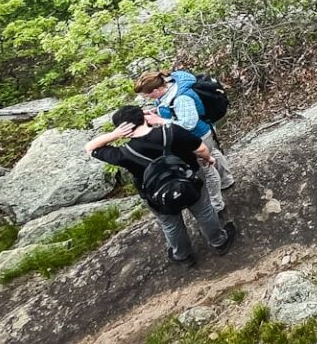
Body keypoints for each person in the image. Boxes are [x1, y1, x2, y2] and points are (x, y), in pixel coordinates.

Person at [84, 104, 236, 267]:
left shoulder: (123, 153)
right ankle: (219, 242)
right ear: (143, 118)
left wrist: (114, 135)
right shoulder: (172, 131)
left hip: (155, 193)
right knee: (204, 210)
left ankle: (183, 256)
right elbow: (201, 149)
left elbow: (89, 147)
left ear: (123, 129)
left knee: (170, 224)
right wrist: (208, 159)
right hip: (189, 179)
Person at [134, 69, 232, 216]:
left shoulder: (181, 99)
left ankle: (216, 205)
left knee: (206, 170)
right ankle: (227, 180)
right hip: (204, 133)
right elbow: (171, 109)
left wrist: (161, 121)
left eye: (147, 95)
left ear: (156, 90)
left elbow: (188, 124)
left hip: (199, 135)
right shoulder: (170, 87)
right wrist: (157, 111)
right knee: (213, 154)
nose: (146, 98)